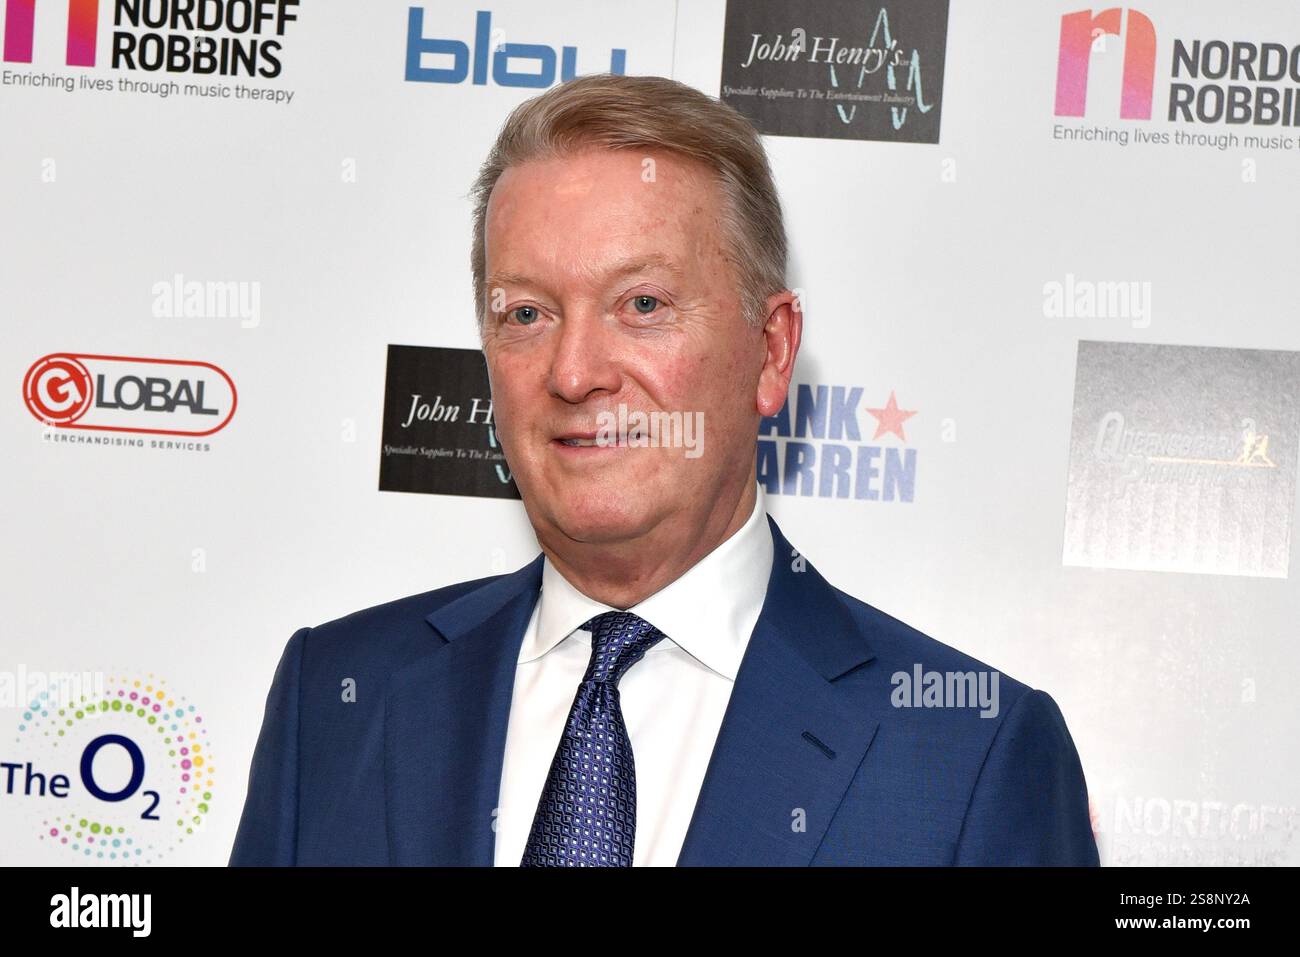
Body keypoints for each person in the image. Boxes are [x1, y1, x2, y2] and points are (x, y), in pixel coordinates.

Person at [229, 72, 1099, 867]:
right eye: (526, 313)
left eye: (641, 305)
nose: (574, 372)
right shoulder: (336, 697)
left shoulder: (968, 753)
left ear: (770, 350)